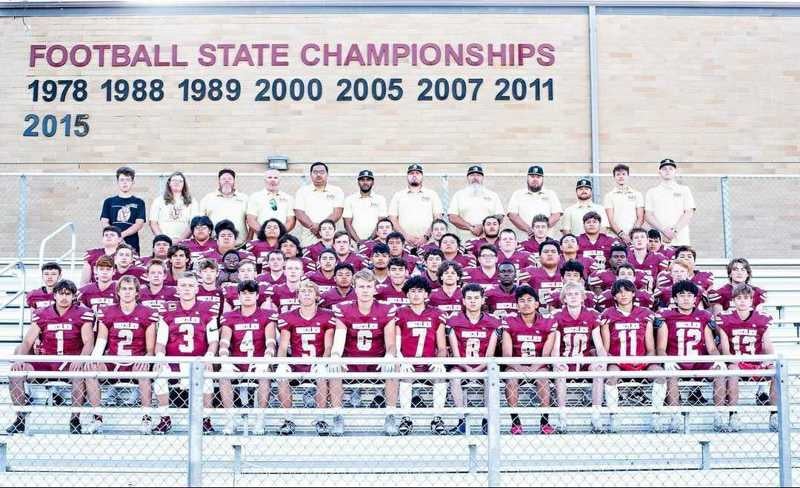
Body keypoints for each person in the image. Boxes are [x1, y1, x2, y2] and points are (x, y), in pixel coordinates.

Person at [7, 280, 97, 435]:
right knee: (15, 374)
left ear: (74, 296)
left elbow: (88, 342)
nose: (64, 297)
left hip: (70, 361)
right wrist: (20, 359)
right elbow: (28, 341)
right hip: (47, 360)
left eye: (68, 294)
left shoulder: (82, 314)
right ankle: (20, 418)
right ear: (54, 295)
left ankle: (75, 419)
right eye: (60, 293)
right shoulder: (42, 314)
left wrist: (81, 359)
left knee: (79, 376)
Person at [330, 270, 399, 435]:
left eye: (369, 286)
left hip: (376, 362)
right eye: (361, 286)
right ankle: (337, 416)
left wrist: (389, 356)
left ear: (375, 289)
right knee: (334, 368)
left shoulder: (385, 309)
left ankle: (390, 415)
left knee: (394, 366)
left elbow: (391, 343)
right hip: (351, 362)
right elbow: (339, 339)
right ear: (354, 288)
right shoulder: (344, 309)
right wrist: (335, 356)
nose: (365, 290)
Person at [152, 272, 219, 435]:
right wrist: (160, 358)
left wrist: (209, 357)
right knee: (160, 377)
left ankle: (206, 420)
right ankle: (164, 419)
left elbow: (213, 341)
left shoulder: (207, 309)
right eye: (183, 285)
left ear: (197, 289)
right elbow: (161, 342)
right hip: (174, 361)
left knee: (208, 379)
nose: (187, 289)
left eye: (190, 285)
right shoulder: (168, 310)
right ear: (177, 290)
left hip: (198, 361)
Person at [91, 276, 159, 434]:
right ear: (118, 291)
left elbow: (150, 348)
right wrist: (94, 358)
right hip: (114, 359)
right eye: (124, 288)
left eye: (131, 289)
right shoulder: (107, 312)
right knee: (91, 371)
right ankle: (97, 416)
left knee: (144, 373)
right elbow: (101, 340)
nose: (127, 292)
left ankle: (146, 417)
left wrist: (146, 358)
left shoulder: (147, 313)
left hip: (136, 359)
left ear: (137, 292)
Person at [655, 280, 725, 433]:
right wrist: (666, 360)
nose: (686, 298)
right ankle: (675, 415)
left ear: (695, 299)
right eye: (682, 295)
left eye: (689, 295)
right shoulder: (667, 316)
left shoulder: (703, 316)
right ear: (674, 299)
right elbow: (660, 347)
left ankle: (720, 415)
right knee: (671, 375)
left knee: (719, 372)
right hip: (676, 361)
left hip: (698, 361)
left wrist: (717, 358)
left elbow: (711, 347)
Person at [600, 279, 665, 433]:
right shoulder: (608, 314)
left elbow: (650, 347)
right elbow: (606, 348)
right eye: (619, 292)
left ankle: (656, 414)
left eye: (627, 291)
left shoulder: (645, 314)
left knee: (661, 375)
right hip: (618, 361)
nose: (623, 295)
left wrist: (644, 361)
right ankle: (614, 415)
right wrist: (617, 362)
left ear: (633, 293)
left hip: (642, 361)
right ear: (614, 296)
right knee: (611, 376)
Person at [274, 280, 337, 436]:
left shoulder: (327, 316)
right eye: (303, 291)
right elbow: (283, 345)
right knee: (281, 375)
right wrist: (282, 363)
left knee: (322, 375)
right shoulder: (288, 317)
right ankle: (287, 419)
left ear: (317, 296)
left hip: (318, 362)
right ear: (298, 296)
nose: (306, 294)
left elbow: (328, 345)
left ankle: (320, 419)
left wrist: (322, 362)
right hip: (297, 363)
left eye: (310, 291)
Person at [390, 276, 449, 435]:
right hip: (407, 362)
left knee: (440, 373)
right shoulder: (400, 313)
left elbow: (442, 347)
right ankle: (406, 418)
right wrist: (402, 360)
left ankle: (437, 418)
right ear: (407, 294)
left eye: (420, 291)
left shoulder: (436, 314)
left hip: (429, 363)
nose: (416, 295)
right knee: (404, 374)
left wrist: (439, 361)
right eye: (412, 291)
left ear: (426, 294)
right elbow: (395, 343)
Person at [218, 279, 277, 435]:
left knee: (264, 375)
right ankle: (230, 419)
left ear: (257, 296)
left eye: (251, 293)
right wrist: (225, 359)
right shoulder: (229, 316)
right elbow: (224, 342)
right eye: (244, 293)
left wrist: (267, 358)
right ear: (238, 296)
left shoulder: (267, 315)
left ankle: (259, 419)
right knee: (224, 375)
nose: (247, 296)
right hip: (237, 362)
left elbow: (270, 342)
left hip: (258, 361)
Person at [716, 283, 777, 432]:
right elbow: (725, 348)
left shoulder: (762, 319)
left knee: (775, 372)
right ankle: (733, 413)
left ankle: (774, 414)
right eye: (739, 298)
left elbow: (767, 344)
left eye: (746, 298)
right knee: (732, 370)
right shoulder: (725, 319)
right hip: (736, 361)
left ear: (752, 301)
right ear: (733, 301)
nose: (742, 301)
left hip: (755, 362)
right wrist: (732, 360)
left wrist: (769, 359)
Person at [550, 282, 606, 432]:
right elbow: (555, 347)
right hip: (566, 358)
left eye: (576, 294)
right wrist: (556, 363)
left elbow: (599, 345)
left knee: (598, 370)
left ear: (582, 298)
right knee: (560, 371)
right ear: (564, 299)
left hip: (584, 359)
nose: (573, 297)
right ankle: (562, 414)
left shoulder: (591, 315)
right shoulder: (558, 316)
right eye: (569, 294)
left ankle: (596, 414)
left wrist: (602, 360)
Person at [502, 286, 557, 435]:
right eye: (521, 300)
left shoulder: (547, 322)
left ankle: (545, 421)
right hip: (515, 365)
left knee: (543, 380)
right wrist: (520, 369)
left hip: (539, 365)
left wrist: (533, 369)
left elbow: (546, 355)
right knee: (511, 381)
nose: (526, 303)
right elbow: (507, 355)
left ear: (537, 304)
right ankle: (515, 422)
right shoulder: (509, 321)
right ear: (516, 305)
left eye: (529, 300)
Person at [447, 283, 501, 434]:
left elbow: (490, 355)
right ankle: (461, 419)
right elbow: (456, 354)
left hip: (483, 365)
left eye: (476, 298)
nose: (472, 301)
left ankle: (486, 419)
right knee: (454, 376)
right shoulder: (454, 321)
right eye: (469, 298)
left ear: (483, 300)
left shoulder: (492, 322)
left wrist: (477, 369)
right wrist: (468, 369)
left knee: (490, 377)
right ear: (463, 301)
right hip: (461, 365)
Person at [388, 163, 444, 248]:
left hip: (428, 242)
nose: (414, 175)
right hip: (404, 243)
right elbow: (392, 219)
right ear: (407, 176)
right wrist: (405, 236)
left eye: (417, 173)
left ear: (422, 176)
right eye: (411, 173)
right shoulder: (398, 195)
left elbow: (438, 218)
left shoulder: (432, 194)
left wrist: (426, 237)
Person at [645, 159, 696, 246]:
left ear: (675, 172)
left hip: (681, 239)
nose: (667, 171)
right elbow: (648, 215)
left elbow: (689, 212)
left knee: (681, 259)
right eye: (664, 169)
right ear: (659, 172)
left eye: (670, 169)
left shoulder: (684, 190)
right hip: (659, 240)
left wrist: (674, 231)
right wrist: (664, 231)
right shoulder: (652, 192)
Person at [294, 161, 345, 247]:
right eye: (315, 172)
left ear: (327, 174)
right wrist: (313, 227)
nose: (318, 175)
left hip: (330, 236)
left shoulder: (337, 191)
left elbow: (337, 213)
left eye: (322, 172)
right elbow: (299, 212)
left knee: (329, 258)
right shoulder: (302, 191)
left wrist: (322, 228)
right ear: (310, 175)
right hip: (309, 237)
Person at [447, 165, 504, 241]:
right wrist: (471, 227)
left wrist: (483, 226)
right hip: (464, 240)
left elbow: (500, 216)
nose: (475, 178)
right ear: (467, 178)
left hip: (488, 241)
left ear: (483, 178)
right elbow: (452, 217)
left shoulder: (493, 195)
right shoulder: (459, 195)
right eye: (472, 175)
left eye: (478, 175)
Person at [100, 166, 146, 254]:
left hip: (131, 243)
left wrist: (121, 235)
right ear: (117, 182)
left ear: (133, 182)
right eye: (122, 180)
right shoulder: (109, 201)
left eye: (128, 180)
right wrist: (114, 236)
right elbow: (104, 222)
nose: (125, 183)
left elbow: (139, 224)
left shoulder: (139, 202)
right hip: (112, 244)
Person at [507, 165, 562, 238]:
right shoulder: (517, 194)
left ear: (543, 179)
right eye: (532, 176)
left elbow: (556, 215)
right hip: (523, 240)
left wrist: (541, 228)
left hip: (546, 242)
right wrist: (529, 230)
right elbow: (512, 215)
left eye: (538, 177)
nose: (535, 179)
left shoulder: (551, 194)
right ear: (527, 178)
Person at [200, 168, 248, 243]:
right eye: (223, 179)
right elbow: (200, 221)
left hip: (240, 244)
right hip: (214, 244)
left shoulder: (244, 198)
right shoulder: (208, 198)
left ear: (234, 181)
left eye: (230, 178)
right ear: (219, 181)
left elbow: (250, 220)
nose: (226, 180)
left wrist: (249, 240)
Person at [149, 171, 199, 241]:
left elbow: (193, 224)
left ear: (184, 184)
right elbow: (153, 223)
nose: (177, 183)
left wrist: (180, 240)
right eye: (174, 180)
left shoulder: (192, 202)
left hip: (184, 242)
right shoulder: (159, 200)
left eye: (180, 181)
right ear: (169, 183)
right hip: (163, 243)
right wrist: (163, 239)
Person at [246, 168, 296, 235]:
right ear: (264, 180)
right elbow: (251, 219)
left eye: (275, 178)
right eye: (269, 177)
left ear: (279, 180)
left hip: (281, 238)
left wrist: (279, 234)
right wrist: (265, 234)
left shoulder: (288, 198)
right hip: (261, 238)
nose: (273, 180)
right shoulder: (255, 197)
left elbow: (291, 221)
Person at [343, 169, 388, 243]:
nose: (365, 182)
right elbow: (347, 224)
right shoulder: (349, 199)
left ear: (373, 182)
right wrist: (358, 241)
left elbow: (381, 223)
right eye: (362, 180)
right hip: (354, 243)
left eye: (368, 180)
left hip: (376, 242)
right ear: (358, 182)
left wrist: (370, 241)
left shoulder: (380, 199)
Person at [604, 164, 644, 243]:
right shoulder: (609, 196)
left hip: (633, 237)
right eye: (618, 174)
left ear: (628, 176)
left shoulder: (637, 194)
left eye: (623, 174)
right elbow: (610, 220)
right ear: (614, 177)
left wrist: (632, 234)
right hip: (615, 236)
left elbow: (640, 218)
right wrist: (622, 235)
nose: (621, 177)